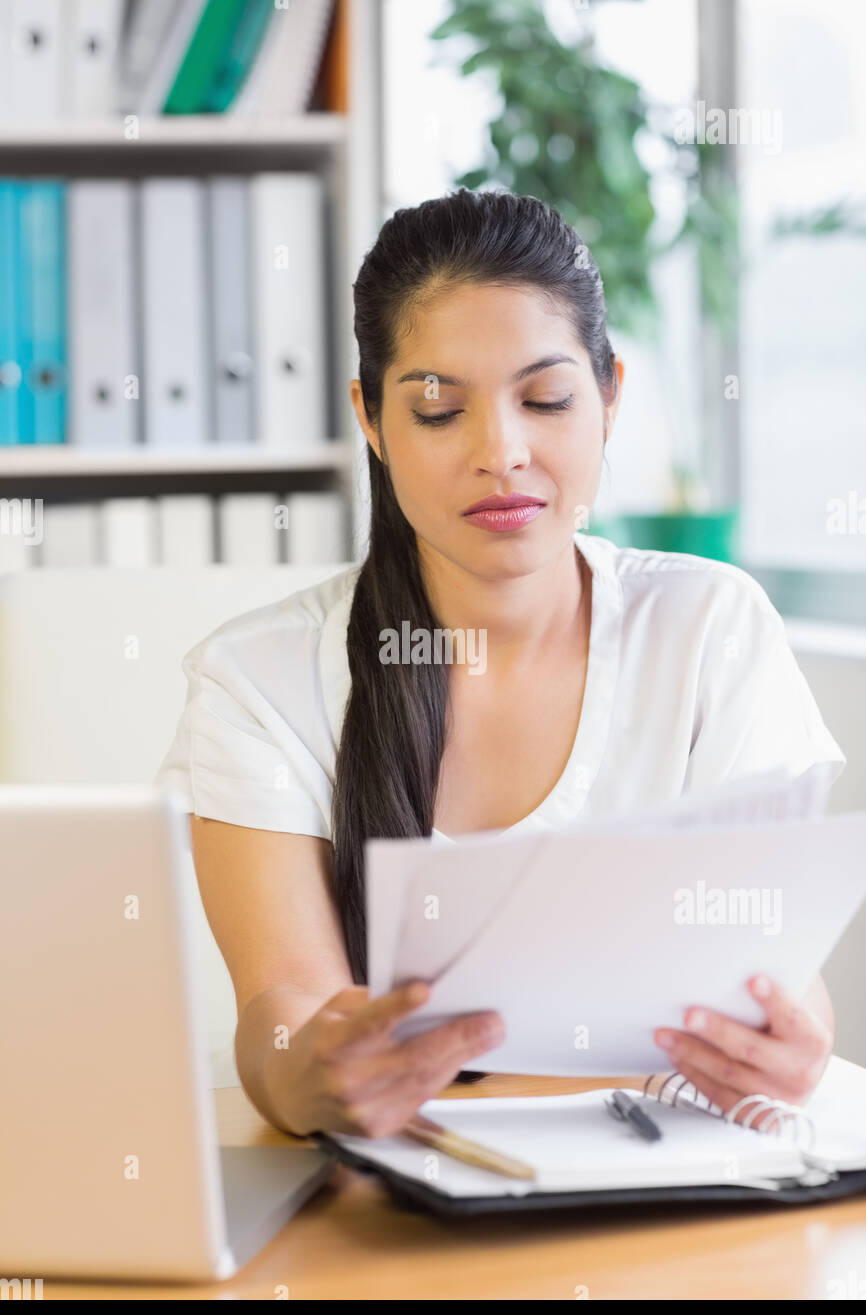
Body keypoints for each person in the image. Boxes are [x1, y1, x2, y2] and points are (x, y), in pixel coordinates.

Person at [156, 188, 844, 1141]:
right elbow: (279, 1018)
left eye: (546, 399)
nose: (502, 453)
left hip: (666, 1196)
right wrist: (309, 1075)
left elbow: (778, 971)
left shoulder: (710, 629)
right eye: (438, 409)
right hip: (399, 1213)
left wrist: (790, 1036)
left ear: (608, 397)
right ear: (370, 419)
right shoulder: (258, 682)